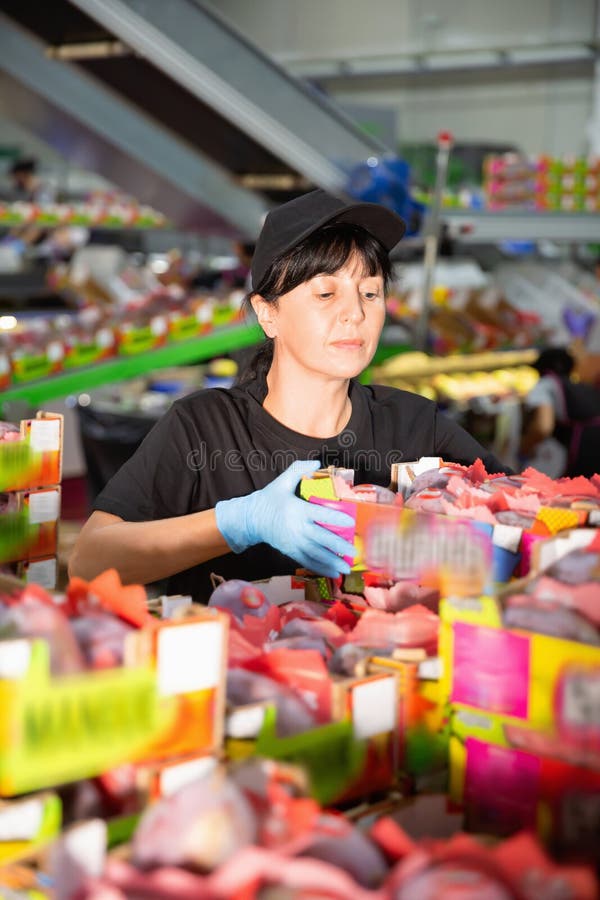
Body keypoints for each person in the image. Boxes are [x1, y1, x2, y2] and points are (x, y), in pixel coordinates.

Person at [69, 189, 505, 602]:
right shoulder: (205, 429)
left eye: (370, 292)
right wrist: (237, 523)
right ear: (268, 313)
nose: (355, 312)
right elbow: (88, 563)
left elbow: (519, 524)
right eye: (325, 292)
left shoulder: (414, 427)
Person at [521, 347, 600, 478]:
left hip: (578, 452)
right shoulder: (580, 386)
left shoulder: (545, 384)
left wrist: (525, 447)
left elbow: (543, 427)